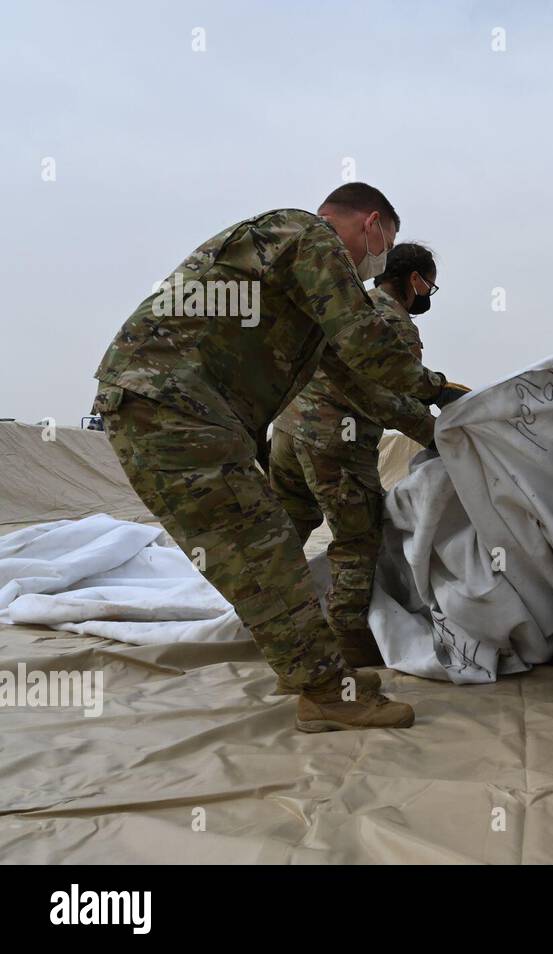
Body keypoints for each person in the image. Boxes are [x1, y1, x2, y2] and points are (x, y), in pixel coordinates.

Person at [93, 183, 464, 732]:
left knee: (267, 545)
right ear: (373, 225)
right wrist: (438, 390)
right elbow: (366, 345)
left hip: (181, 406)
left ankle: (315, 670)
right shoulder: (309, 239)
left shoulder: (300, 282)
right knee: (264, 551)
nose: (380, 257)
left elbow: (358, 381)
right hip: (173, 405)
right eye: (387, 241)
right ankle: (324, 695)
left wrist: (436, 427)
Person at [269, 242, 466, 672]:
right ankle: (350, 641)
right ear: (415, 281)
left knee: (284, 530)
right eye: (430, 284)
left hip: (286, 431)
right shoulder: (393, 323)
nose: (429, 293)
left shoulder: (352, 306)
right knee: (357, 540)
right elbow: (384, 398)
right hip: (334, 440)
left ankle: (271, 622)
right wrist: (439, 435)